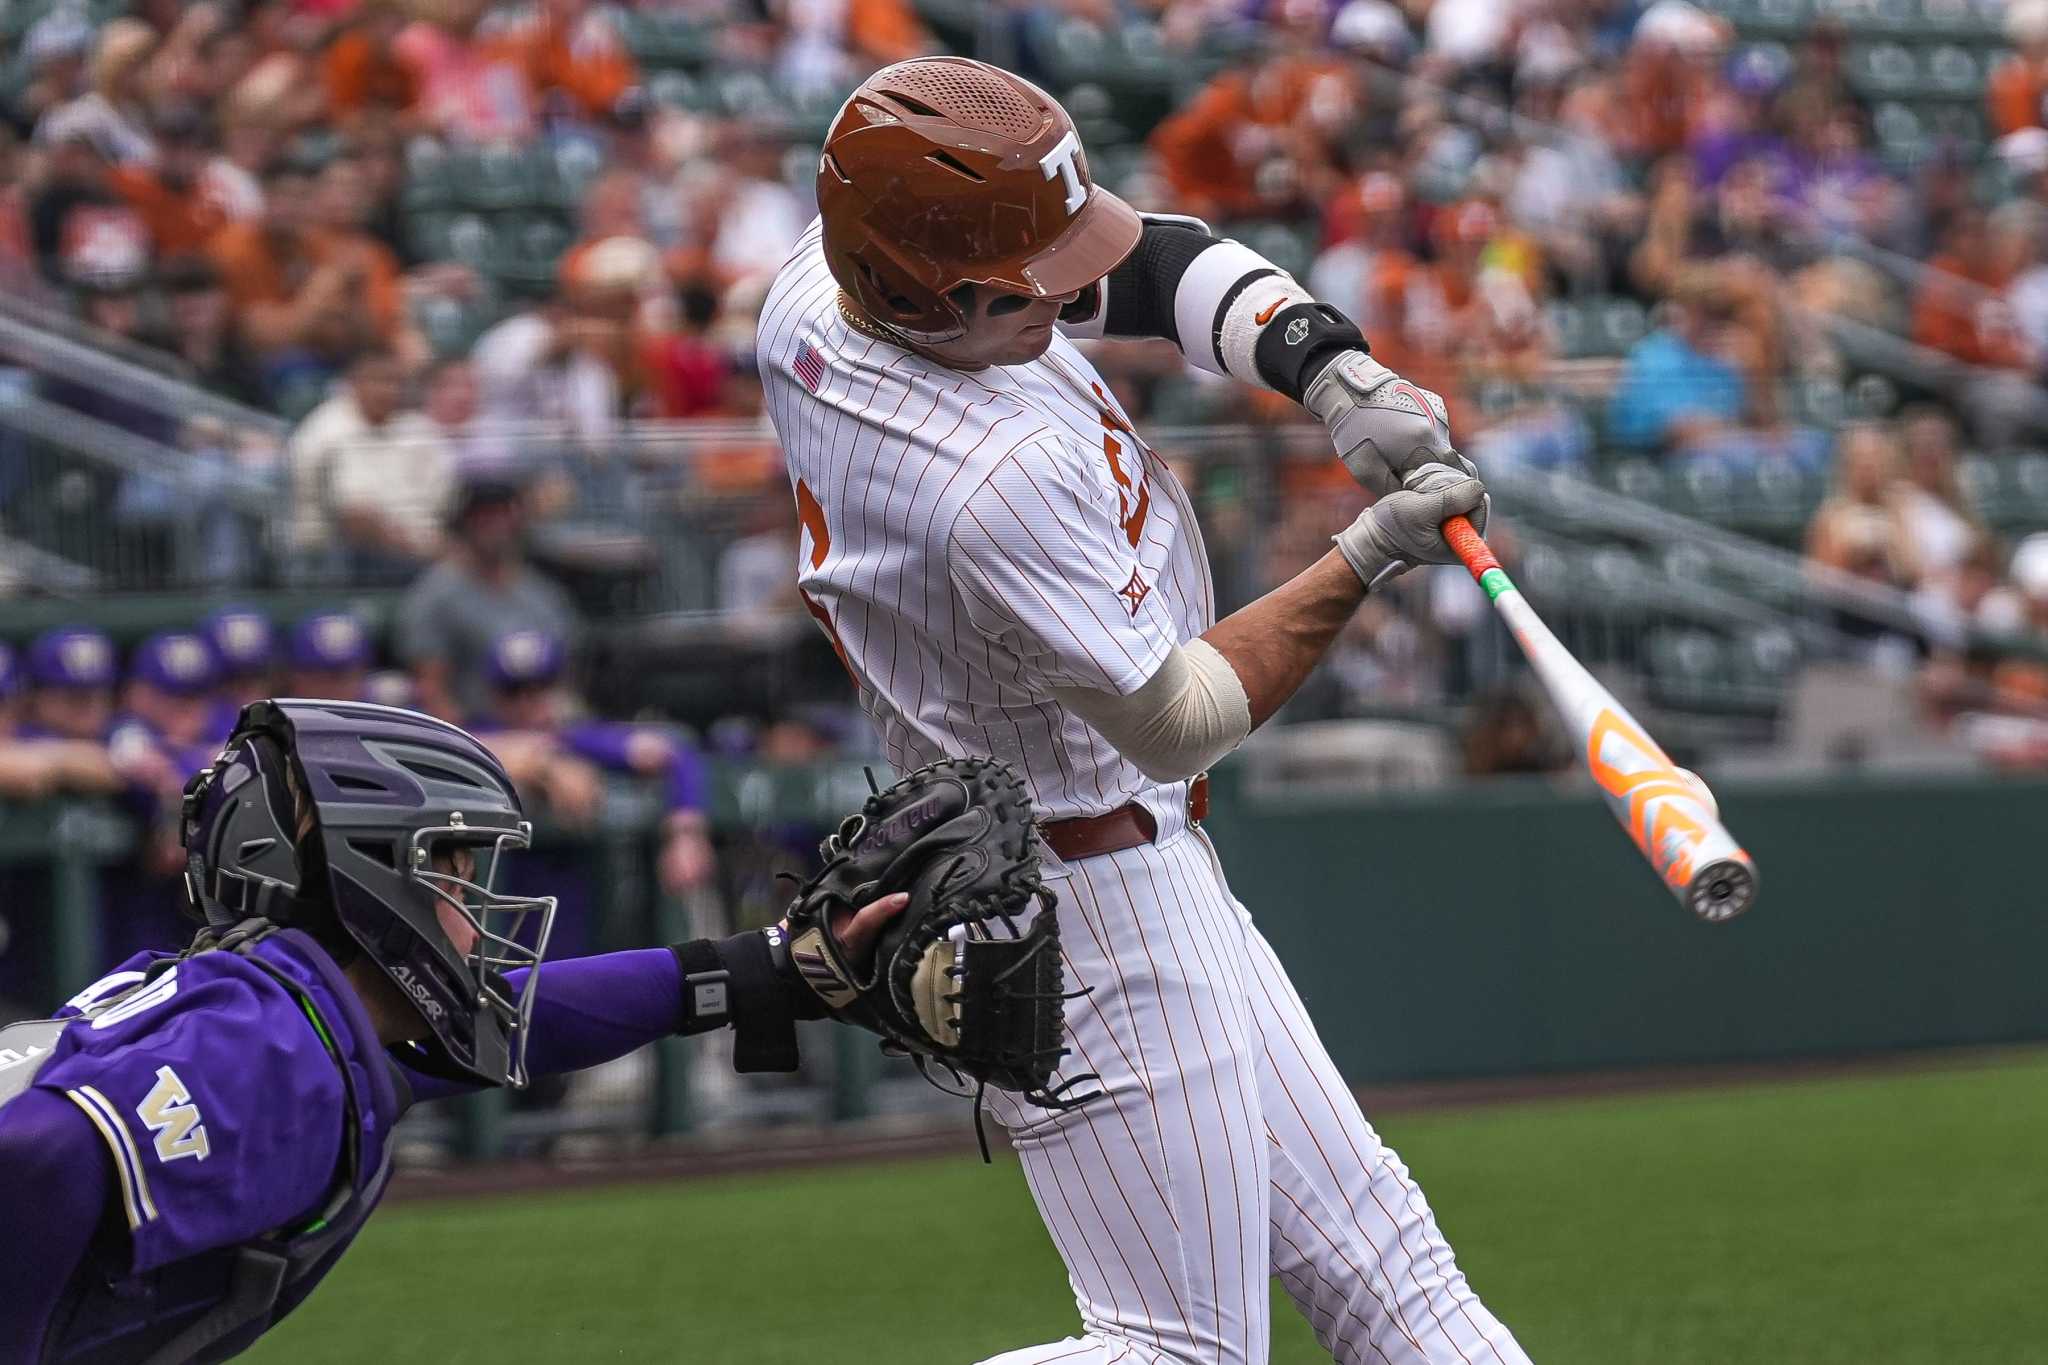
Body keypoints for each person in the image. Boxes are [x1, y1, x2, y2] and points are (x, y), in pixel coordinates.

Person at [761, 58, 1521, 1365]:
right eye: (1027, 282)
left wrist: (1330, 370)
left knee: (1395, 1274)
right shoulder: (988, 478)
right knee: (1179, 1351)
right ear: (927, 293)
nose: (1065, 295)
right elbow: (1172, 719)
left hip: (1101, 846)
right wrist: (1366, 555)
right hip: (1083, 889)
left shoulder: (817, 286)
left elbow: (1156, 267)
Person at [0, 699, 907, 1362]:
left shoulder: (271, 1006)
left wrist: (767, 968)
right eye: (452, 864)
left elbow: (524, 1017)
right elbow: (39, 1152)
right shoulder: (267, 1045)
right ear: (368, 881)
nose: (475, 900)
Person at [472, 629, 716, 896]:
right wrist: (546, 766)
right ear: (493, 694)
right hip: (492, 905)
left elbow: (673, 751)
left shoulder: (576, 738)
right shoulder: (472, 737)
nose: (527, 702)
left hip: (574, 903)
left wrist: (685, 835)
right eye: (513, 691)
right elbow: (452, 745)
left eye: (540, 687)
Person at [396, 477, 581, 721]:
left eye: (504, 513)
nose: (495, 525)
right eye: (483, 516)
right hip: (472, 730)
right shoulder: (434, 596)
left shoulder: (545, 596)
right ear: (463, 522)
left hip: (542, 729)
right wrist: (472, 739)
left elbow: (565, 686)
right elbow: (430, 690)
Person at [285, 345, 455, 581]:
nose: (387, 390)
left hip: (424, 546)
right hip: (339, 555)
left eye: (394, 381)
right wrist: (423, 547)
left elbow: (445, 500)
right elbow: (355, 519)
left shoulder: (418, 428)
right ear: (352, 383)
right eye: (377, 380)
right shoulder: (325, 432)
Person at [283, 613, 374, 702]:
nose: (327, 688)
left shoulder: (378, 706)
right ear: (292, 676)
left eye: (338, 675)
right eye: (313, 674)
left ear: (361, 674)